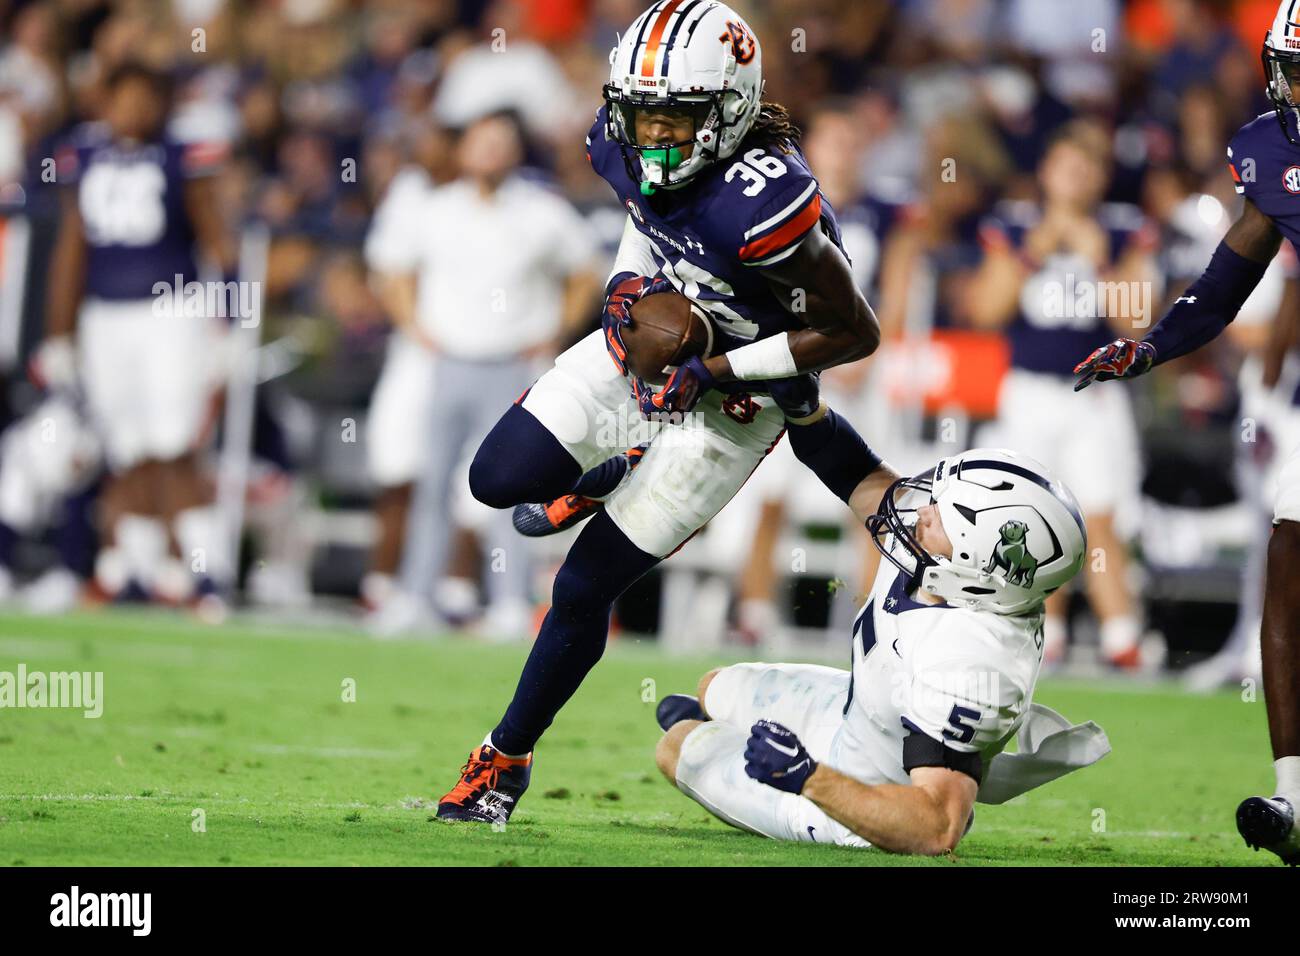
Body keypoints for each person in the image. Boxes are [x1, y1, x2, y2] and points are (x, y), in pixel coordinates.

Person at [435, 2, 879, 825]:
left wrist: (713, 367)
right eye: (641, 114)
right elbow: (643, 222)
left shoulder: (766, 203)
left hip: (743, 392)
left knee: (583, 584)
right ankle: (619, 464)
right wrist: (623, 294)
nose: (651, 135)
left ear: (730, 108)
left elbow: (854, 331)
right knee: (497, 479)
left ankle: (504, 757)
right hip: (657, 350)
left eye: (674, 118)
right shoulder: (616, 136)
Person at [1073, 0, 1300, 865]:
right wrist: (1154, 344)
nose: (1295, 88)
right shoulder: (1274, 150)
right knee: (1288, 549)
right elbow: (1233, 271)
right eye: (1292, 67)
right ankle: (1296, 792)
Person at [654, 429, 1107, 853]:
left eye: (947, 517)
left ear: (979, 569)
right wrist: (805, 406)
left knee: (677, 743)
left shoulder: (973, 668)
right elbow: (854, 469)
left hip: (864, 797)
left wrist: (808, 777)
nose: (924, 510)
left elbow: (937, 826)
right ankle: (744, 741)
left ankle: (776, 771)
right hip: (856, 713)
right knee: (711, 687)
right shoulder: (946, 555)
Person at [365, 111, 601, 637]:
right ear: (465, 148)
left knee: (513, 486)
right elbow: (393, 270)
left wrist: (557, 332)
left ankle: (509, 602)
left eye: (501, 142)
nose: (491, 151)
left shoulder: (542, 211)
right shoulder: (437, 208)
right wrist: (414, 326)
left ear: (515, 152)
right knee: (433, 481)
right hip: (449, 359)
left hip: (514, 366)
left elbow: (586, 272)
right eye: (482, 141)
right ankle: (414, 595)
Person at [30, 61, 234, 610]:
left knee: (173, 444)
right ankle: (137, 572)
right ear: (105, 100)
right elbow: (71, 252)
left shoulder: (181, 156)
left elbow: (220, 240)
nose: (135, 110)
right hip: (105, 317)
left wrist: (233, 320)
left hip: (172, 309)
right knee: (126, 448)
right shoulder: (84, 155)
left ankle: (204, 571)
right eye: (125, 97)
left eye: (147, 98)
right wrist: (58, 334)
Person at [970, 121, 1155, 669]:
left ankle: (1121, 634)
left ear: (1101, 177)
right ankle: (1044, 632)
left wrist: (1101, 260)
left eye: (1087, 168)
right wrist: (1034, 252)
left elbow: (1137, 325)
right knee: (1029, 512)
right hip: (1029, 389)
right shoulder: (1015, 226)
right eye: (1067, 165)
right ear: (1046, 170)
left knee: (1101, 513)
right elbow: (985, 311)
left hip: (1094, 392)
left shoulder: (1121, 232)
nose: (1075, 178)